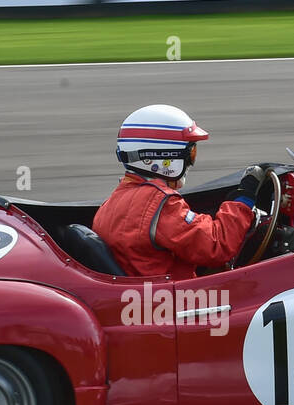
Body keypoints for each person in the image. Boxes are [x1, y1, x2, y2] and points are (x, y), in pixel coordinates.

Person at [93, 104, 269, 280]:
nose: (191, 161)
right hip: (175, 301)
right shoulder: (158, 204)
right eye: (191, 152)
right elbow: (216, 245)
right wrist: (244, 200)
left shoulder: (112, 202)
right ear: (163, 156)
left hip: (145, 294)